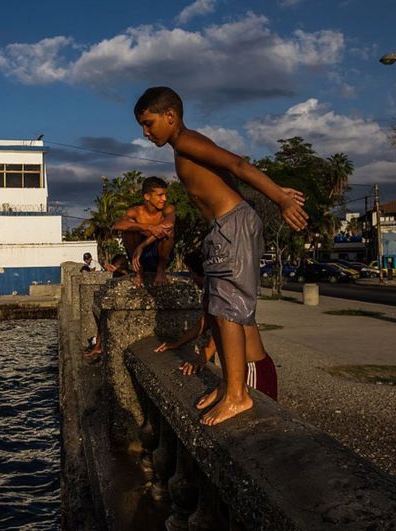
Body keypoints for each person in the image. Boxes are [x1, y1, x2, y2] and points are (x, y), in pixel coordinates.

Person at [134, 87, 306, 425]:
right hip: (222, 229)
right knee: (215, 309)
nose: (145, 132)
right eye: (142, 126)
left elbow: (237, 164)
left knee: (229, 311)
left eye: (149, 123)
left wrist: (279, 198)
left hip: (232, 225)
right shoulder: (184, 146)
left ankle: (238, 396)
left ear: (170, 116)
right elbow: (226, 178)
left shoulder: (186, 142)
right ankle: (230, 385)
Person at [153, 252, 278, 401]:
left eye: (191, 273)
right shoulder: (211, 290)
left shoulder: (219, 290)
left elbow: (223, 326)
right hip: (244, 367)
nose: (191, 279)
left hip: (252, 366)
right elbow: (204, 323)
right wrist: (177, 344)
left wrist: (203, 356)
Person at [112, 176, 175, 286]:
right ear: (147, 196)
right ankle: (138, 271)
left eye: (165, 195)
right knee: (129, 229)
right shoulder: (136, 211)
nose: (164, 199)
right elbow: (117, 225)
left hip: (161, 255)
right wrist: (149, 227)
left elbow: (168, 225)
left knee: (169, 231)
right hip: (139, 257)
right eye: (160, 195)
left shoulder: (168, 208)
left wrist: (142, 245)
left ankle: (161, 270)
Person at [84, 254, 131, 360]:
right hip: (116, 308)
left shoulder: (129, 274)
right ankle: (97, 346)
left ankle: (98, 346)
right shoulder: (116, 274)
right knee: (102, 317)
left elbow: (129, 274)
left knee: (104, 317)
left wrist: (117, 270)